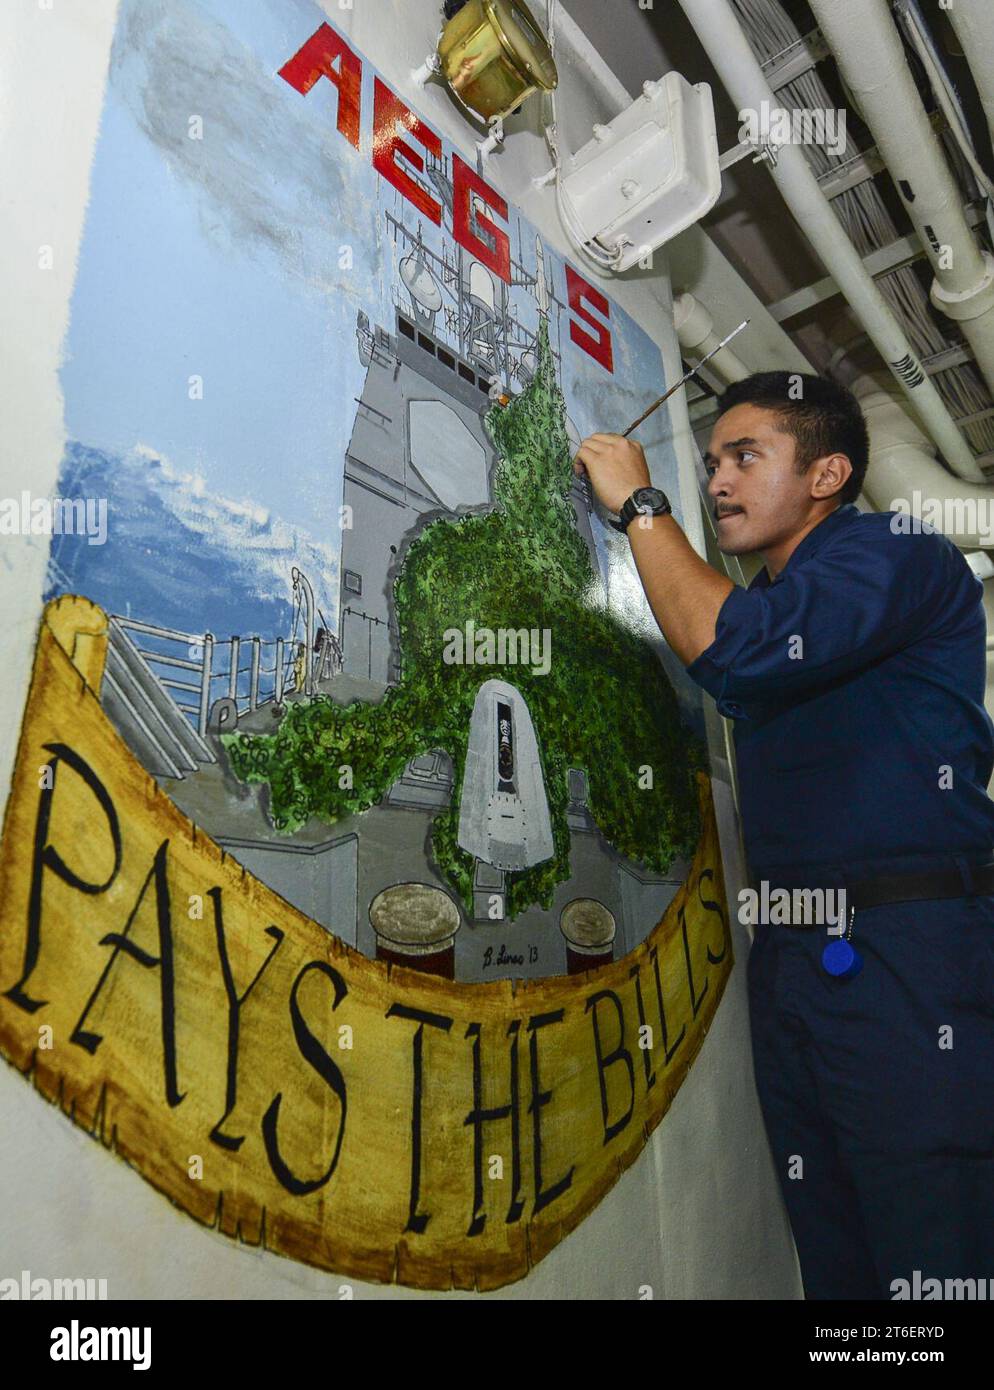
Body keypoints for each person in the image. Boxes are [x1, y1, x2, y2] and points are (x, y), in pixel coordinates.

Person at [574, 372, 994, 1300]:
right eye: (712, 462)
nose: (717, 481)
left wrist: (643, 505)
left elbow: (739, 648)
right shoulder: (780, 599)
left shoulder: (892, 552)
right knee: (837, 1250)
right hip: (804, 956)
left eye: (746, 457)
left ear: (828, 472)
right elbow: (744, 642)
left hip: (909, 950)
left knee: (935, 1245)